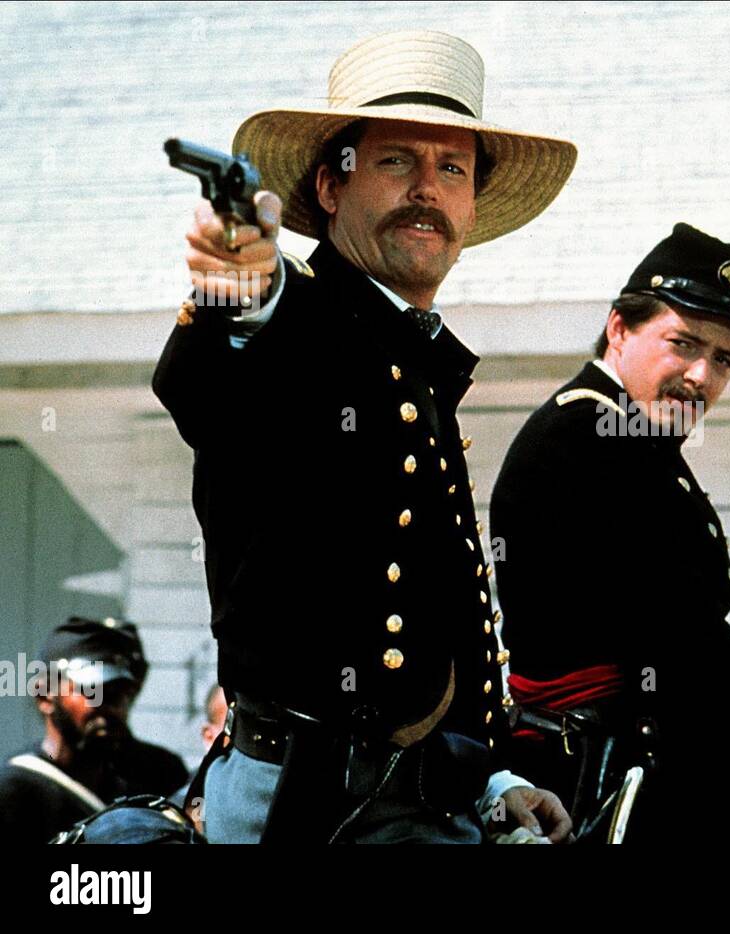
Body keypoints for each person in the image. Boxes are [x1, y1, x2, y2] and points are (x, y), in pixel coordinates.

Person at [153, 30, 578, 843]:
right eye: (396, 161)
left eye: (451, 168)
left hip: (411, 795)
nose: (427, 189)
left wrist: (490, 774)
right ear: (331, 184)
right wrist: (246, 287)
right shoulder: (305, 318)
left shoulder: (411, 354)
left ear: (471, 204)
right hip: (307, 807)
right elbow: (212, 383)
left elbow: (434, 615)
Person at [490, 224, 730, 842]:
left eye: (724, 360)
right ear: (619, 329)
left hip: (653, 757)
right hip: (593, 780)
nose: (699, 376)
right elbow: (674, 631)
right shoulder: (587, 437)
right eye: (682, 343)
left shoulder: (633, 437)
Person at [0, 617, 188, 843]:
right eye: (92, 691)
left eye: (119, 694)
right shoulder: (12, 793)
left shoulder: (159, 773)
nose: (111, 708)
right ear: (45, 697)